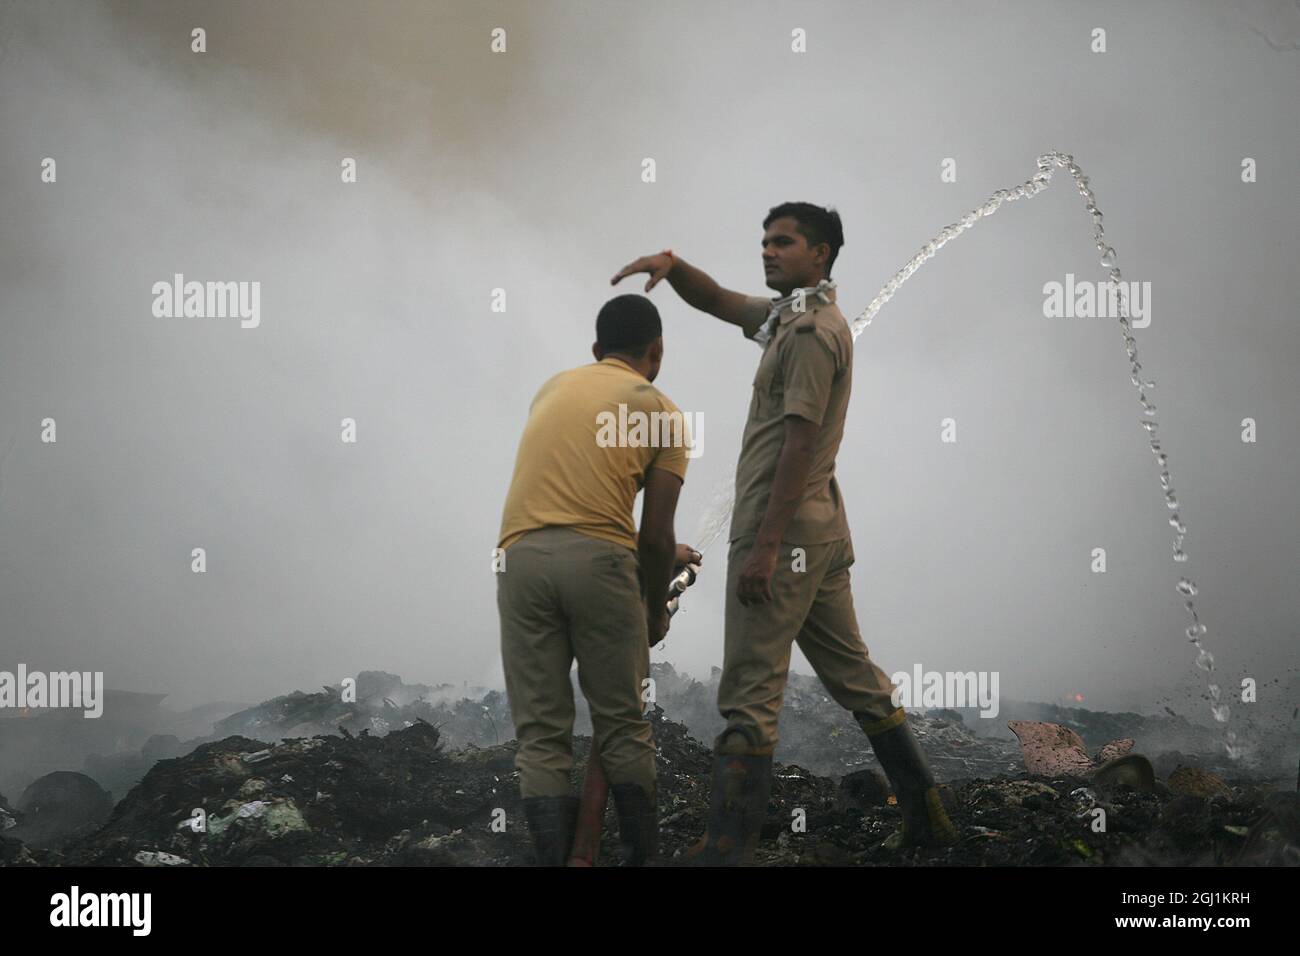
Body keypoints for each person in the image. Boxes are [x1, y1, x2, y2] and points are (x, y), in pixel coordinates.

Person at [611, 203, 958, 864]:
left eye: (783, 242)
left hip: (784, 537)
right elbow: (717, 300)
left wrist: (765, 548)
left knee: (748, 695)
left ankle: (725, 849)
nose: (768, 251)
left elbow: (799, 444)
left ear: (821, 253)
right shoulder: (791, 318)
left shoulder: (805, 335)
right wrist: (674, 268)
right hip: (820, 533)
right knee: (856, 677)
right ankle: (927, 816)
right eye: (764, 241)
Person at [495, 293, 699, 866]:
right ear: (656, 351)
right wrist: (656, 608)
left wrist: (645, 555)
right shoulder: (663, 411)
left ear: (595, 351)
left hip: (520, 559)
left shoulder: (553, 388)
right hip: (600, 565)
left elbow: (571, 505)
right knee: (622, 727)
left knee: (541, 736)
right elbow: (655, 538)